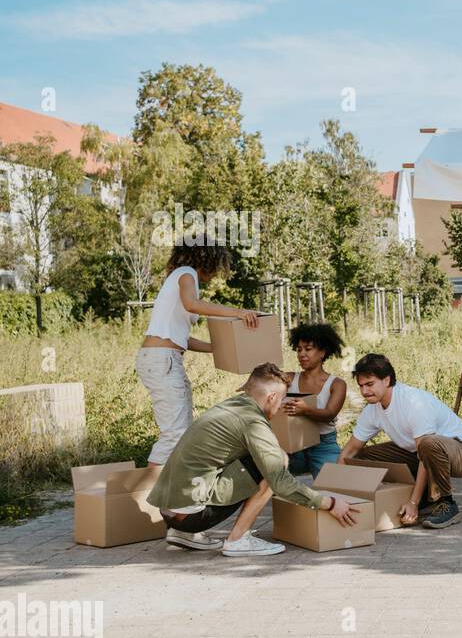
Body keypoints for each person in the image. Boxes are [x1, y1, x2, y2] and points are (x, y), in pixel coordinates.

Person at [148, 363, 358, 556]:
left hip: (170, 512)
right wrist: (329, 504)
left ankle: (181, 533)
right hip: (191, 517)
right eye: (282, 400)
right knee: (278, 463)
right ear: (272, 398)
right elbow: (281, 483)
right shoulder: (253, 422)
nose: (279, 409)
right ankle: (238, 540)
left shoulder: (233, 406)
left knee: (265, 456)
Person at [136, 237, 261, 466]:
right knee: (173, 436)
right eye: (216, 267)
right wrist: (239, 312)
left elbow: (182, 338)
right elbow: (192, 304)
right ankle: (151, 497)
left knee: (180, 433)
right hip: (163, 360)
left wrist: (217, 348)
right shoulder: (186, 273)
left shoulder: (177, 279)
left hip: (163, 358)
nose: (214, 275)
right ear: (207, 259)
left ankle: (166, 497)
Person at [339, 353, 462, 530]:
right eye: (361, 386)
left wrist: (413, 502)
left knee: (428, 444)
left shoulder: (413, 403)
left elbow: (424, 452)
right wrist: (336, 491)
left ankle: (446, 502)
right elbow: (349, 451)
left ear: (387, 380)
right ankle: (425, 499)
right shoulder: (372, 410)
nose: (364, 391)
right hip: (422, 452)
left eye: (370, 384)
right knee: (361, 455)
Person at [281, 322, 347, 478]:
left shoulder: (336, 384)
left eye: (308, 349)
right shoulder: (289, 378)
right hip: (292, 443)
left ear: (322, 352)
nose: (302, 354)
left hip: (323, 444)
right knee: (264, 472)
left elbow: (329, 414)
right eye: (299, 350)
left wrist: (306, 410)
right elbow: (266, 384)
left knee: (335, 485)